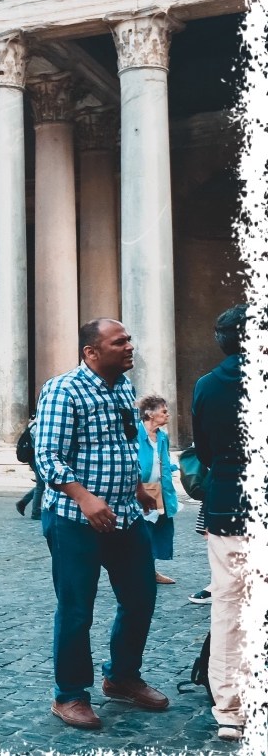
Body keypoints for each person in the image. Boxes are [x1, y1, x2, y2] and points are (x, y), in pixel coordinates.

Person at [35, 317, 167, 731]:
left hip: (125, 515)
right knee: (77, 609)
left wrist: (137, 488)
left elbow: (123, 442)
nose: (130, 346)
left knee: (141, 596)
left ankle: (121, 677)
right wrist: (84, 497)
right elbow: (47, 456)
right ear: (91, 352)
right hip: (75, 519)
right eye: (119, 341)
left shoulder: (124, 387)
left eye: (129, 339)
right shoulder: (64, 389)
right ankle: (70, 695)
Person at [192, 304, 249, 743]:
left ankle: (231, 710)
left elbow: (205, 452)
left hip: (228, 504)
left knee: (229, 605)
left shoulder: (207, 385)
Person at [136, 394, 178, 585]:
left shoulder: (162, 437)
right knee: (139, 533)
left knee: (154, 531)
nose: (167, 414)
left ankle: (149, 571)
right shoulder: (136, 433)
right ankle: (135, 571)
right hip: (139, 489)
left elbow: (164, 459)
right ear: (150, 413)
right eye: (164, 411)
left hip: (159, 490)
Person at [15, 417, 45, 521]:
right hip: (36, 458)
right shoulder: (36, 427)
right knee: (41, 485)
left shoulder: (35, 425)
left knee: (42, 484)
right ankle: (35, 512)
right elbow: (39, 444)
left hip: (35, 458)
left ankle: (23, 503)